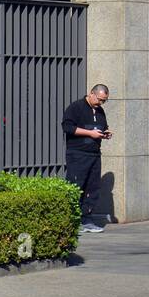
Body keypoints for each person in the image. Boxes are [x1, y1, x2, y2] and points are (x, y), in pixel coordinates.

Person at [62, 84, 112, 234]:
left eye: (104, 101)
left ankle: (87, 219)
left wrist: (106, 133)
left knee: (92, 187)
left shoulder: (100, 110)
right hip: (78, 154)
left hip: (94, 154)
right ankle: (72, 220)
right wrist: (90, 133)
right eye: (100, 99)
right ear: (92, 93)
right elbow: (68, 127)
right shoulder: (76, 107)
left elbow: (102, 126)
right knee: (76, 186)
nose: (101, 103)